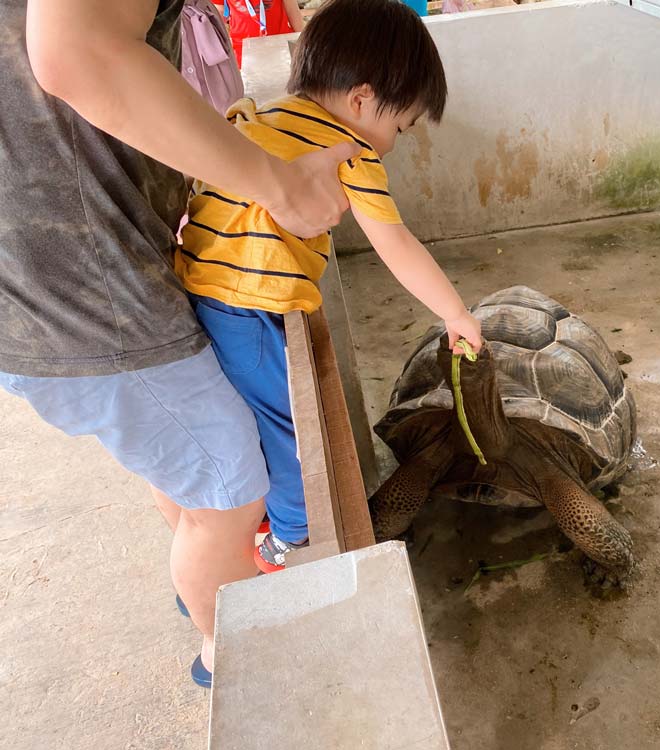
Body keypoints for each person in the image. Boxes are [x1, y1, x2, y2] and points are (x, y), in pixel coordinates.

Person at [3, 0, 360, 687]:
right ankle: (228, 651)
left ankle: (203, 571)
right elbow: (75, 52)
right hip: (87, 292)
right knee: (232, 494)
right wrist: (278, 184)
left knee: (191, 472)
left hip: (54, 278)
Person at [177, 0, 483, 574]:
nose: (392, 143)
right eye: (399, 127)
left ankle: (263, 518)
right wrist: (455, 312)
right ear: (361, 100)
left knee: (242, 420)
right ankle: (293, 534)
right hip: (249, 310)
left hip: (197, 289)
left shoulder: (259, 114)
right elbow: (395, 244)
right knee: (295, 431)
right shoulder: (348, 149)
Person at [223, 0, 304, 67]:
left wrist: (303, 43)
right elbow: (220, 12)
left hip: (281, 45)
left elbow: (292, 10)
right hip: (243, 50)